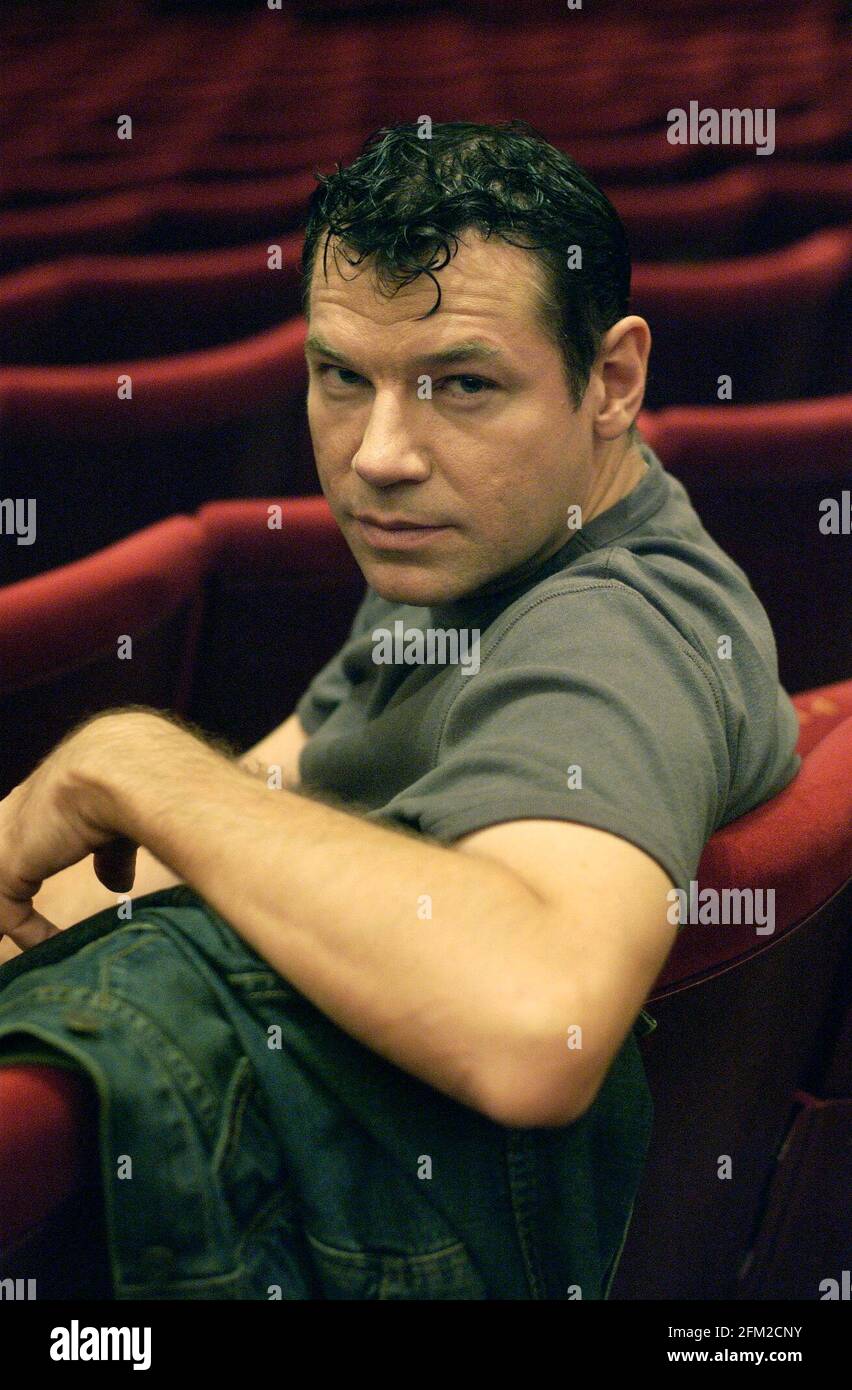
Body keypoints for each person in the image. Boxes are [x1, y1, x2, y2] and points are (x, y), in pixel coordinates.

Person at [0, 120, 800, 1299]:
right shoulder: (478, 546)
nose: (378, 455)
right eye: (341, 378)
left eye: (462, 385)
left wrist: (132, 762)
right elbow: (268, 792)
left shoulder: (608, 635)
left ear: (613, 380)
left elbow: (540, 1025)